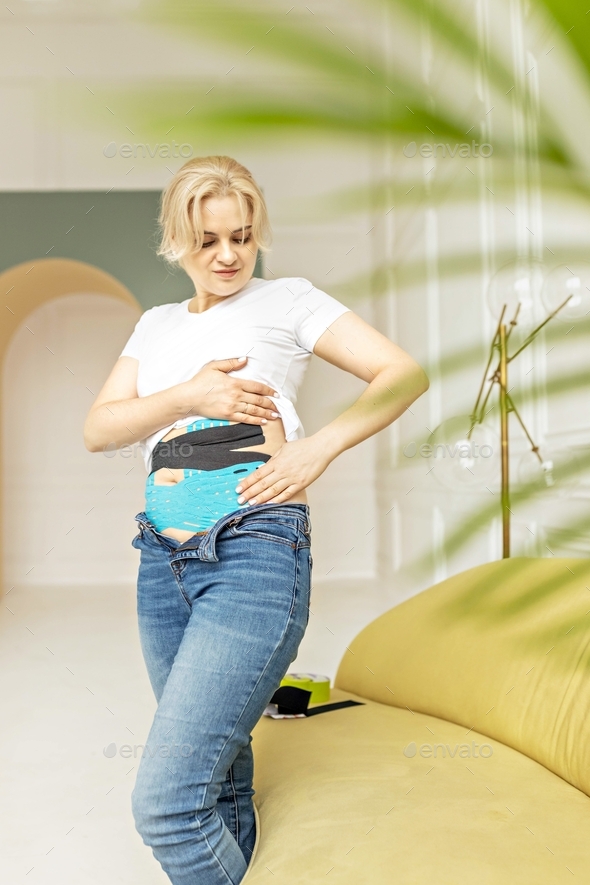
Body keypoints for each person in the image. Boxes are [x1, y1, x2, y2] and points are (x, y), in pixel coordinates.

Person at [83, 155, 429, 885]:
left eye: (242, 236)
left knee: (167, 804)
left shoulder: (289, 300)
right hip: (161, 565)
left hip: (253, 551)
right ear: (176, 241)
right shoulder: (154, 325)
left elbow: (403, 371)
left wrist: (319, 449)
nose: (229, 255)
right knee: (219, 779)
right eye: (207, 240)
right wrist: (189, 395)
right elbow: (100, 428)